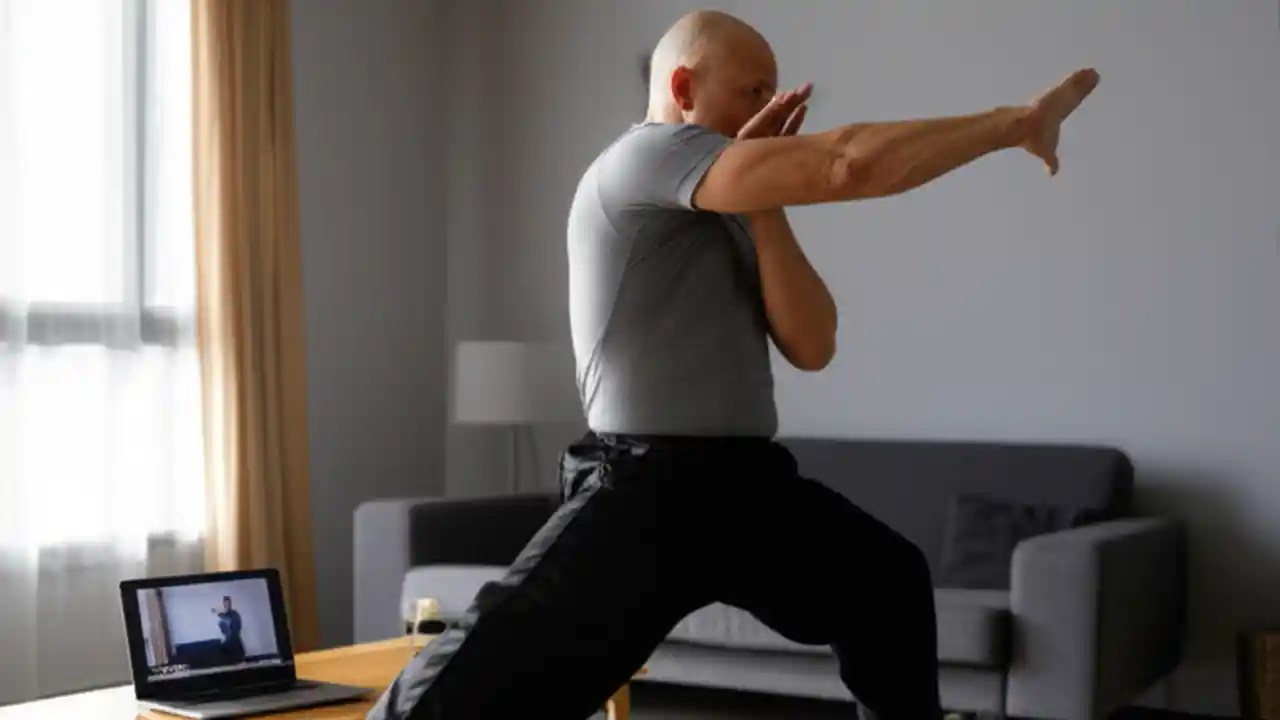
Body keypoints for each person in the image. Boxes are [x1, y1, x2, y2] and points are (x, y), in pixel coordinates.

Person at [367, 9, 1098, 720]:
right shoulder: (645, 158)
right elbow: (847, 163)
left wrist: (767, 202)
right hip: (644, 492)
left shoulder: (725, 212)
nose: (775, 109)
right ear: (684, 90)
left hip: (747, 488)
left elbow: (813, 346)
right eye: (753, 92)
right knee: (479, 681)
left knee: (887, 583)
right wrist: (1016, 123)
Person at [211, 595, 245, 663]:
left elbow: (235, 625)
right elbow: (223, 616)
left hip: (234, 638)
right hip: (230, 640)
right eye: (225, 603)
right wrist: (217, 612)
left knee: (238, 655)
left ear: (230, 603)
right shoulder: (225, 615)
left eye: (228, 602)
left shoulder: (234, 614)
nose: (226, 604)